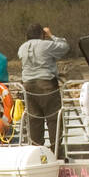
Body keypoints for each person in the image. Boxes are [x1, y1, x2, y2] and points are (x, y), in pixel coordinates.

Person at [18, 23, 69, 152]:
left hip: (28, 86)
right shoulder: (46, 45)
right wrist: (51, 35)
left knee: (34, 121)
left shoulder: (22, 48)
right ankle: (56, 151)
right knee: (54, 119)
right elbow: (64, 47)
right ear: (42, 34)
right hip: (46, 85)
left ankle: (37, 152)